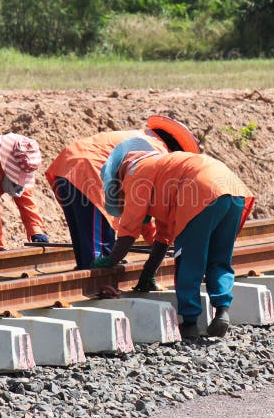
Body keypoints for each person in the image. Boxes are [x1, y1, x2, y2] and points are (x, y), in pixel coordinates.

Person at [93, 138, 254, 339]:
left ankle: (190, 322)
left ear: (118, 176)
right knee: (219, 258)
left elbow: (128, 229)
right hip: (233, 189)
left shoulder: (135, 174)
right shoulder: (162, 170)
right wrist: (148, 273)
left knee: (189, 259)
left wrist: (111, 260)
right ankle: (222, 311)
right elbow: (163, 238)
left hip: (199, 192)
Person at [44, 116, 200, 269]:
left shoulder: (143, 137)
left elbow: (138, 206)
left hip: (65, 168)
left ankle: (90, 278)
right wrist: (158, 244)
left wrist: (155, 243)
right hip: (89, 172)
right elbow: (141, 202)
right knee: (100, 248)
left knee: (84, 239)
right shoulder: (158, 153)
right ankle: (101, 284)